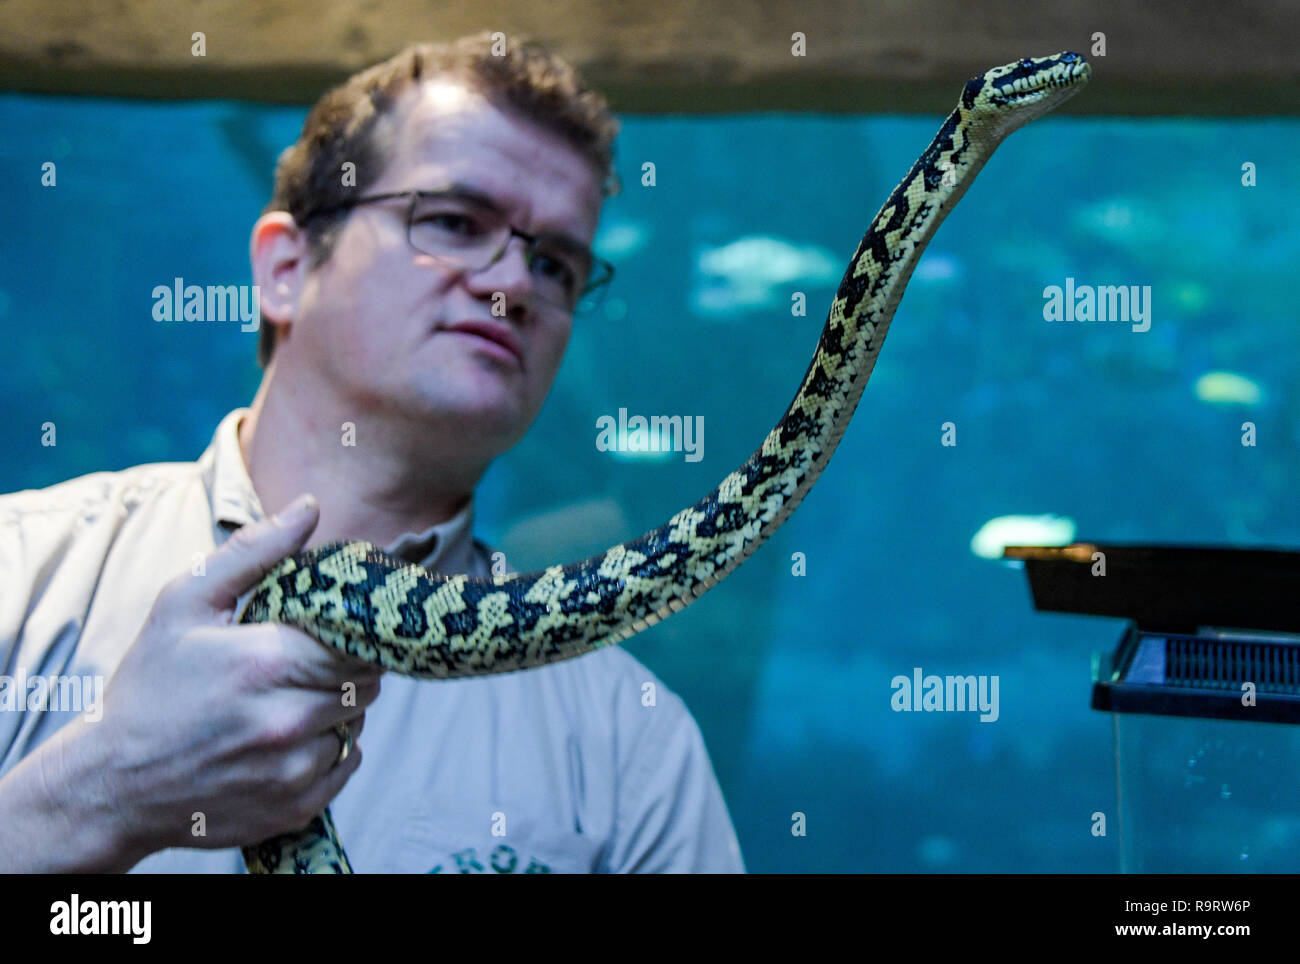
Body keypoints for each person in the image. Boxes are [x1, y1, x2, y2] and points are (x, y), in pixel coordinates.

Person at [0, 33, 744, 873]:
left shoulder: (632, 742)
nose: (514, 286)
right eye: (456, 223)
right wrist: (105, 789)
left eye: (557, 265)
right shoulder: (22, 574)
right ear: (285, 267)